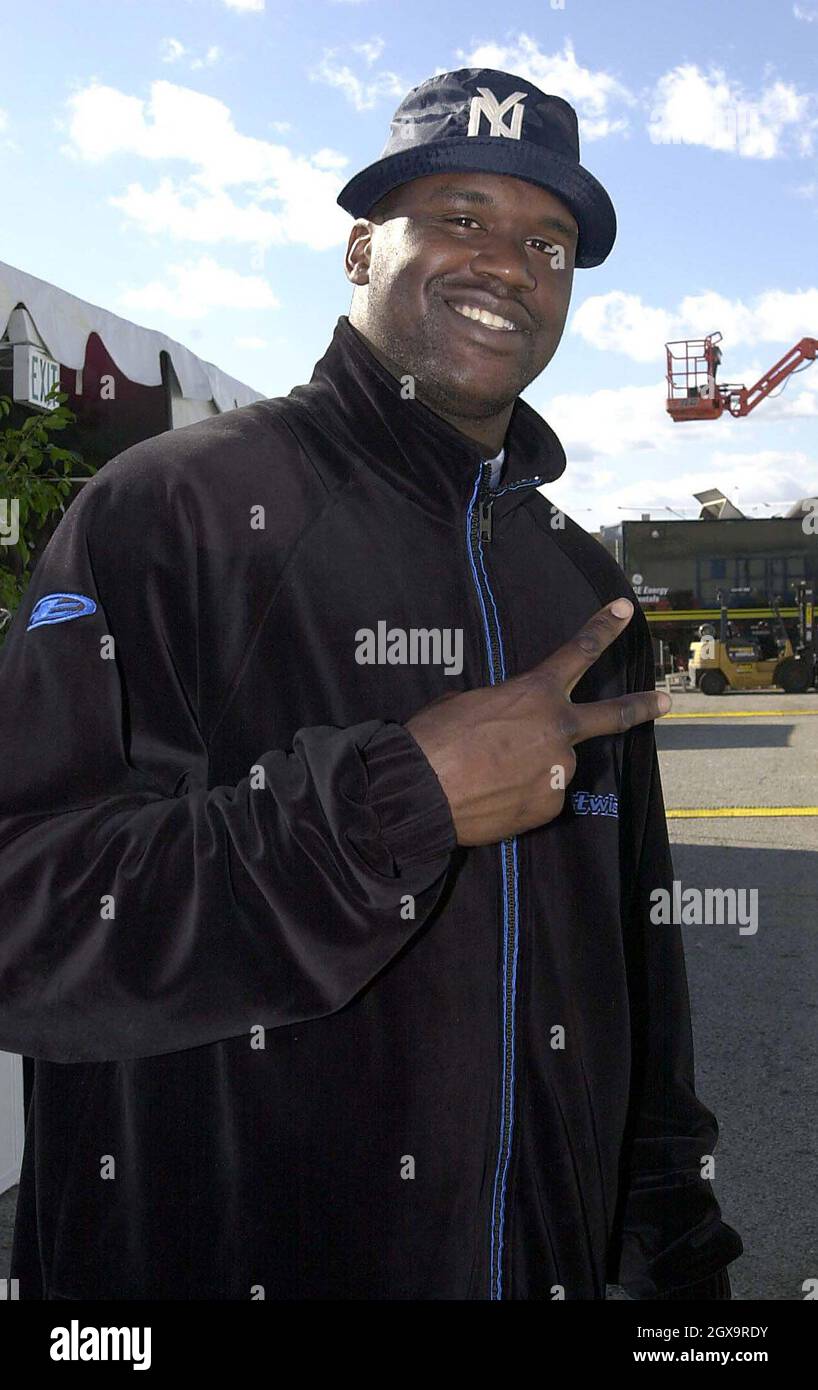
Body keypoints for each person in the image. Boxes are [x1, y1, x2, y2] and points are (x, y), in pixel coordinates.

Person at [0, 68, 742, 1300]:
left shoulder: (583, 590)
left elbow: (638, 998)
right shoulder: (166, 512)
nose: (507, 262)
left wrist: (672, 1262)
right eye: (458, 215)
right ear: (359, 247)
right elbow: (24, 917)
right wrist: (387, 805)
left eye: (547, 243)